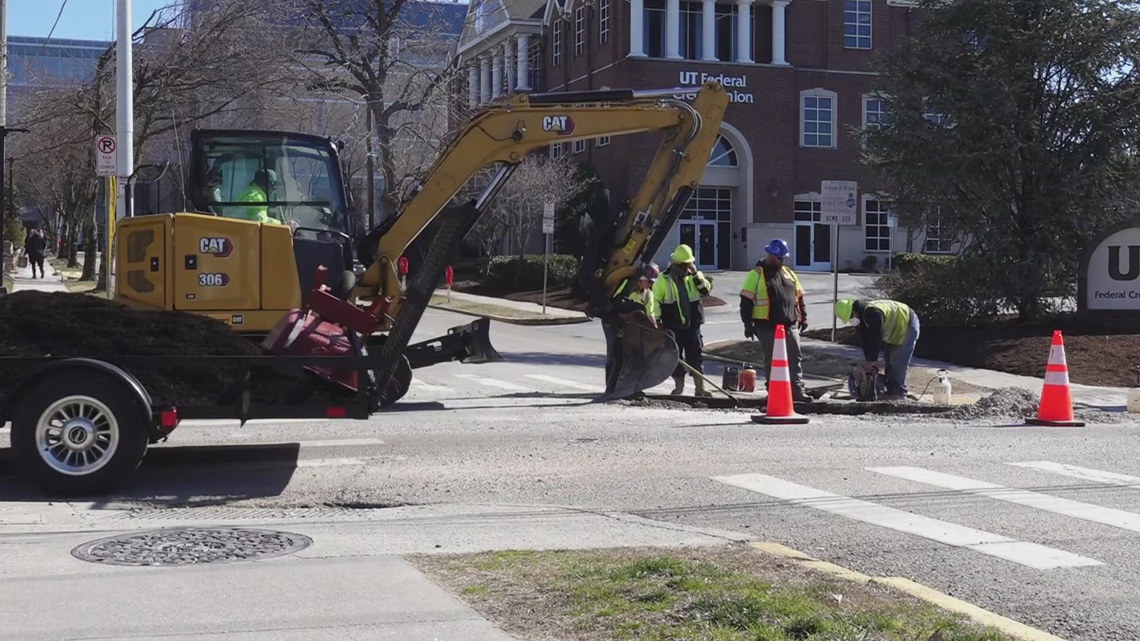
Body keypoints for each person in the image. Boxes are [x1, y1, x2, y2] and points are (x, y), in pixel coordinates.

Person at [740, 238, 810, 402]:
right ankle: (775, 393)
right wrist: (747, 324)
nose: (782, 261)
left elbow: (799, 297)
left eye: (783, 258)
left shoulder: (788, 272)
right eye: (779, 258)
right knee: (772, 360)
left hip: (790, 323)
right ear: (771, 255)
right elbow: (746, 301)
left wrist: (803, 317)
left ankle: (797, 392)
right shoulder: (756, 274)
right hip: (767, 325)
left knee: (795, 357)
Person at [652, 244, 714, 397]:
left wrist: (696, 275)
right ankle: (679, 387)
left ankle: (700, 388)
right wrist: (658, 321)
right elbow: (655, 301)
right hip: (673, 326)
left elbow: (705, 291)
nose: (691, 266)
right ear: (679, 264)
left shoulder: (693, 277)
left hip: (692, 325)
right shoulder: (664, 279)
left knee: (696, 356)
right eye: (688, 263)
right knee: (676, 359)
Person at [834, 298, 921, 400]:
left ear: (854, 311)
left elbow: (875, 338)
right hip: (896, 329)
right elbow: (865, 340)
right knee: (889, 361)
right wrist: (869, 361)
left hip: (907, 324)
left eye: (850, 317)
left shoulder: (873, 314)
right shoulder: (862, 318)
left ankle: (898, 394)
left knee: (897, 362)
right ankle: (891, 392)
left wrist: (871, 361)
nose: (851, 320)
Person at [601, 262, 660, 395]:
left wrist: (656, 332)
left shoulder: (648, 294)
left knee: (633, 355)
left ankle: (630, 388)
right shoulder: (624, 287)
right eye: (649, 282)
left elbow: (650, 315)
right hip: (612, 322)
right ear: (641, 278)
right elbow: (614, 306)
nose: (651, 285)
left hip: (629, 326)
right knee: (614, 354)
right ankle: (610, 388)